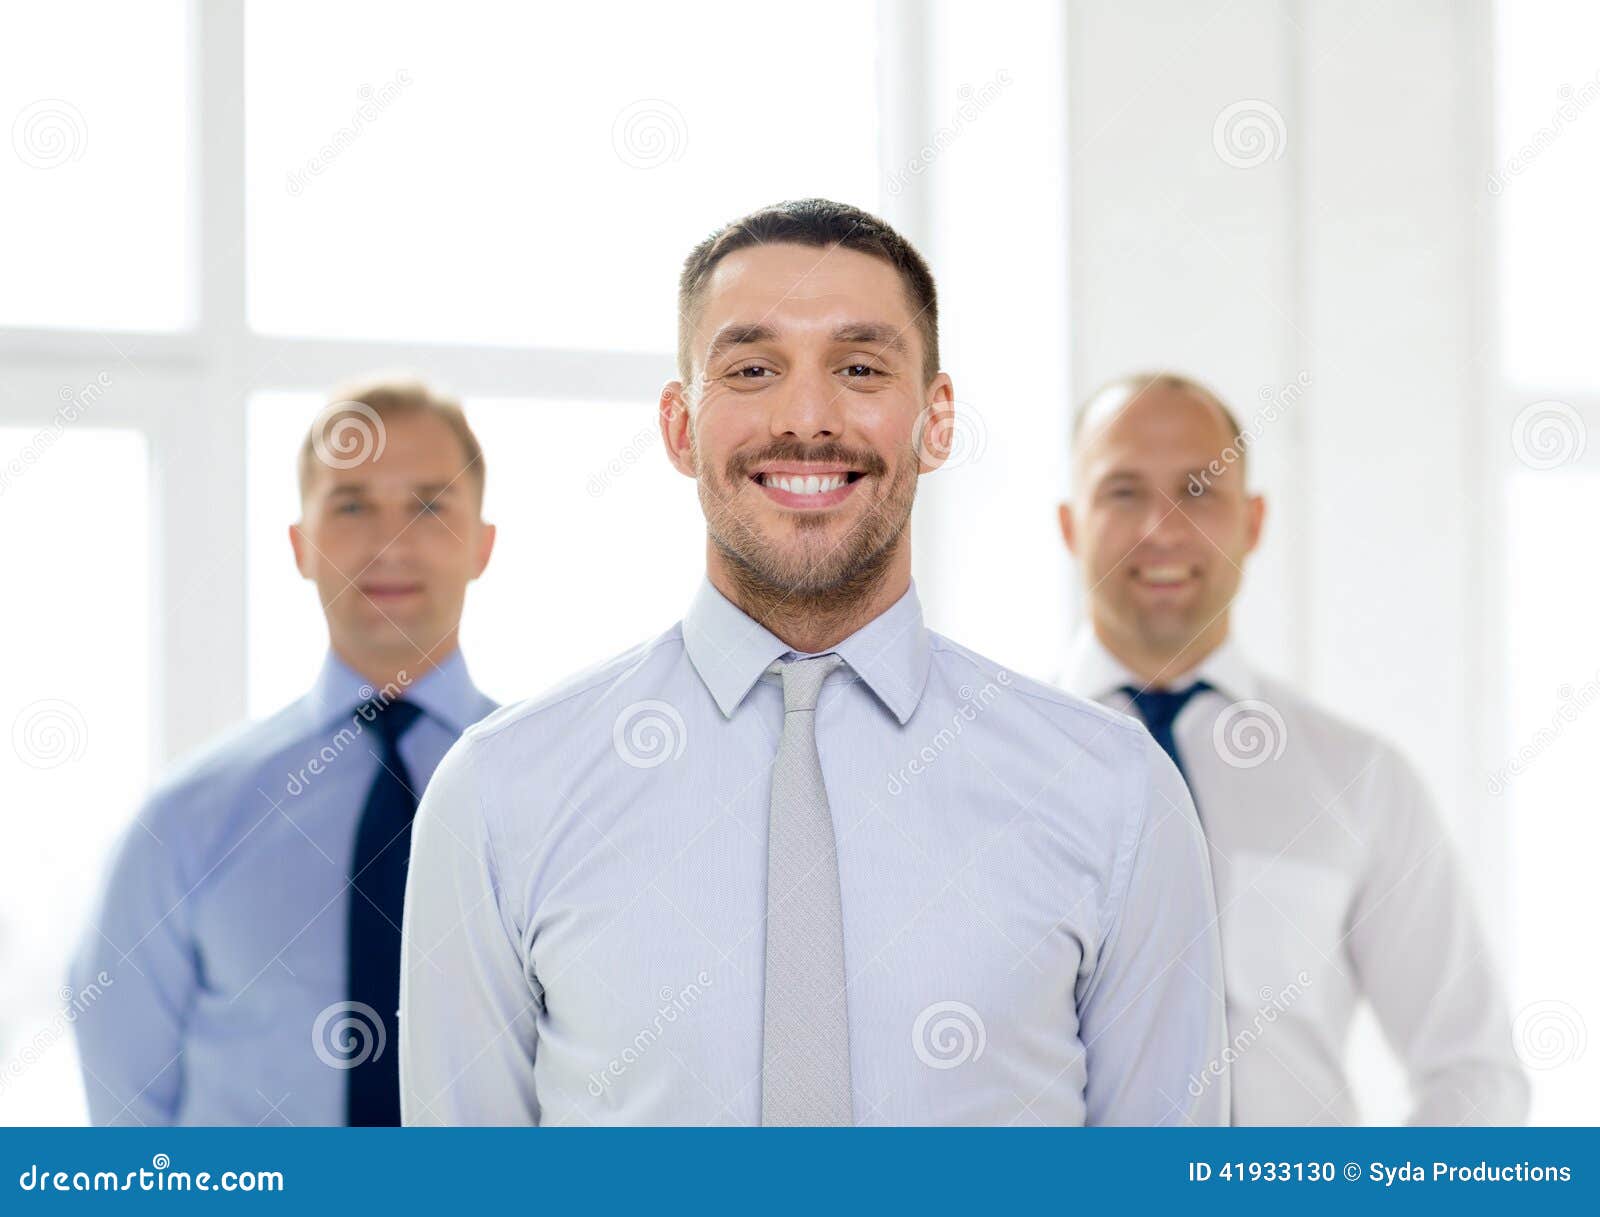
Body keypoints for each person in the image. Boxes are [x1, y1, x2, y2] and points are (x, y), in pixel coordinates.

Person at [400, 200, 1227, 1126]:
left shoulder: (1113, 793)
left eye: (860, 368)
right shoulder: (501, 793)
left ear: (937, 419)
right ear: (679, 426)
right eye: (752, 369)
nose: (805, 417)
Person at [1057, 370, 1529, 1124]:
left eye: (1199, 489)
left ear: (1254, 521)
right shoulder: (989, 771)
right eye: (1122, 492)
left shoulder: (1359, 778)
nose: (1163, 528)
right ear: (1070, 525)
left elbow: (1473, 1071)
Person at [69, 377, 499, 1125]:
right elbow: (126, 1119)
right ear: (301, 545)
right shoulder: (183, 821)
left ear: (482, 544)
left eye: (429, 505)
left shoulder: (554, 794)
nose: (390, 541)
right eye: (352, 504)